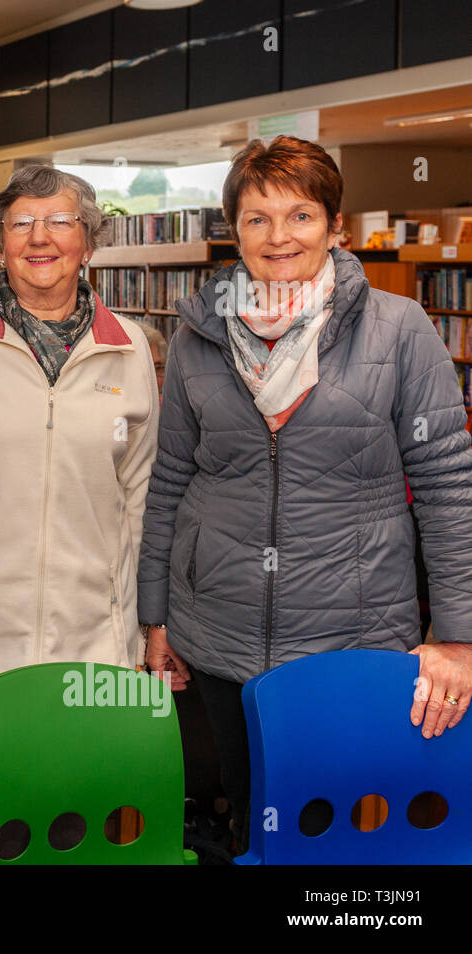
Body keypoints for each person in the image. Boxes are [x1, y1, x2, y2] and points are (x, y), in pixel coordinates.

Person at [138, 135, 472, 854]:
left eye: (300, 216)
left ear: (335, 227)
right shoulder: (201, 335)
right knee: (252, 815)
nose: (278, 236)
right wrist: (155, 614)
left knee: (339, 829)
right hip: (221, 632)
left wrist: (457, 633)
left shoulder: (399, 330)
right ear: (235, 230)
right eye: (257, 218)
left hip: (349, 634)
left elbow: (450, 486)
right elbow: (168, 481)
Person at [0, 165, 159, 692]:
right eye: (21, 223)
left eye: (59, 220)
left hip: (97, 641)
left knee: (85, 776)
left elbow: (141, 494)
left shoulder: (128, 346)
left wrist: (149, 621)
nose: (39, 236)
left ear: (88, 241)